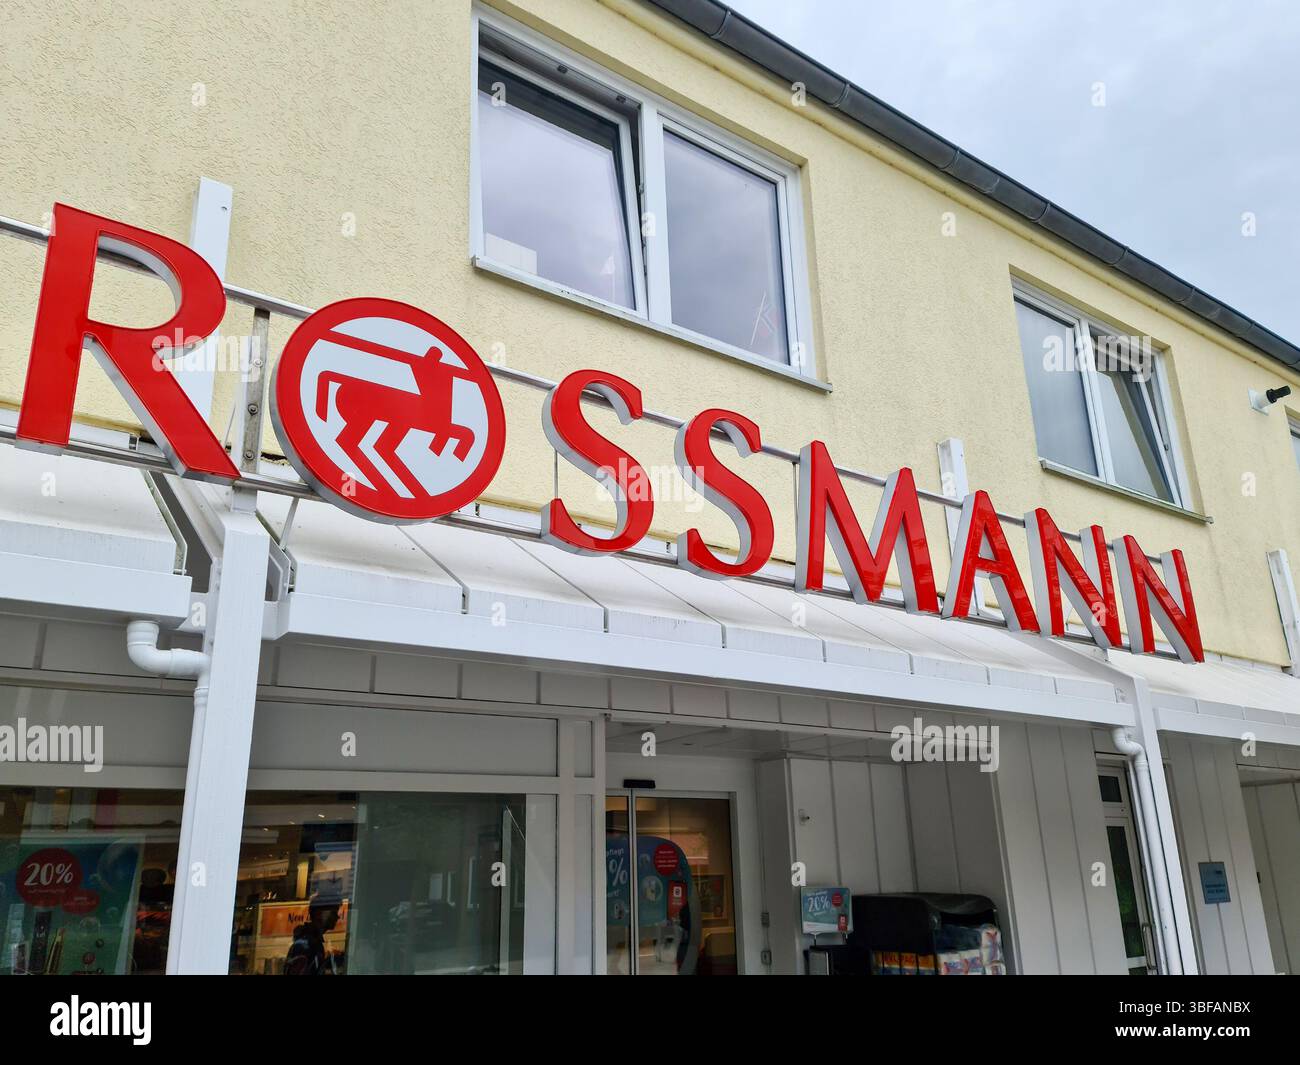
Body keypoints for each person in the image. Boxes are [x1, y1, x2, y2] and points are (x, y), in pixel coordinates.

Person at [284, 889, 344, 975]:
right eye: (333, 912)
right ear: (319, 914)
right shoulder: (306, 945)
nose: (337, 917)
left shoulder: (312, 942)